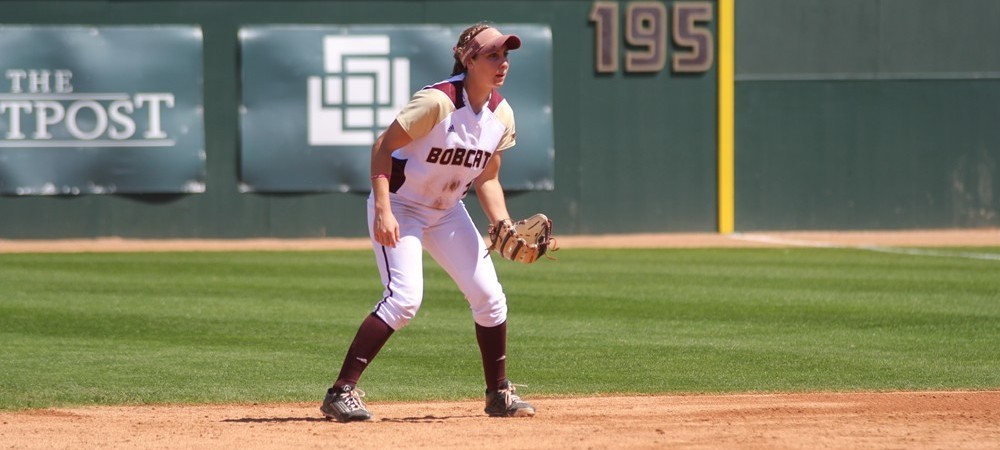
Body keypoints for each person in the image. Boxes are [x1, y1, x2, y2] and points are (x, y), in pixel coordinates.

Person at [320, 23, 536, 422]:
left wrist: (502, 222)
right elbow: (383, 147)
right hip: (402, 206)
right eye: (492, 54)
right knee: (404, 300)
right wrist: (383, 209)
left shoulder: (501, 114)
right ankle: (340, 392)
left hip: (447, 210)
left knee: (490, 299)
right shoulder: (438, 102)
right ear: (468, 59)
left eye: (505, 55)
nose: (502, 62)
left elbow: (487, 177)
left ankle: (498, 393)